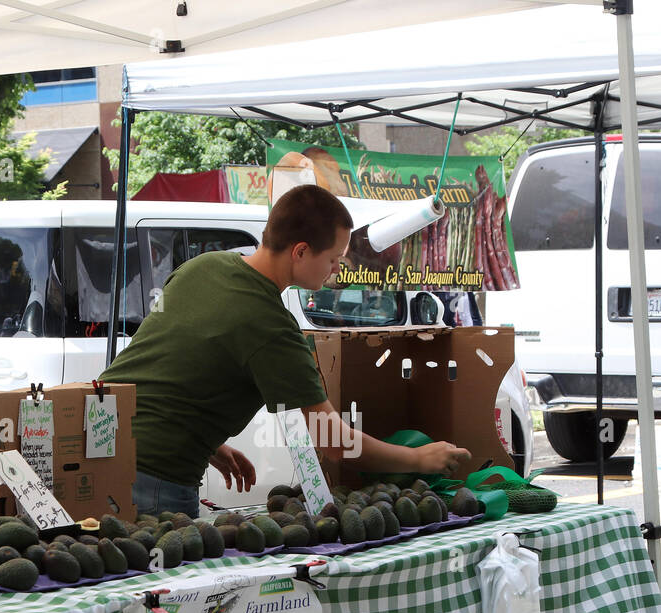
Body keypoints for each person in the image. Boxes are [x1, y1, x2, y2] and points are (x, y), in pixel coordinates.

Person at [101, 184, 471, 518]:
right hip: (155, 481)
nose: (335, 271)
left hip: (96, 445)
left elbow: (167, 369)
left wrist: (211, 446)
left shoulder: (202, 267)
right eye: (333, 260)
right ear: (300, 251)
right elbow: (334, 443)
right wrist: (420, 458)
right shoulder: (271, 326)